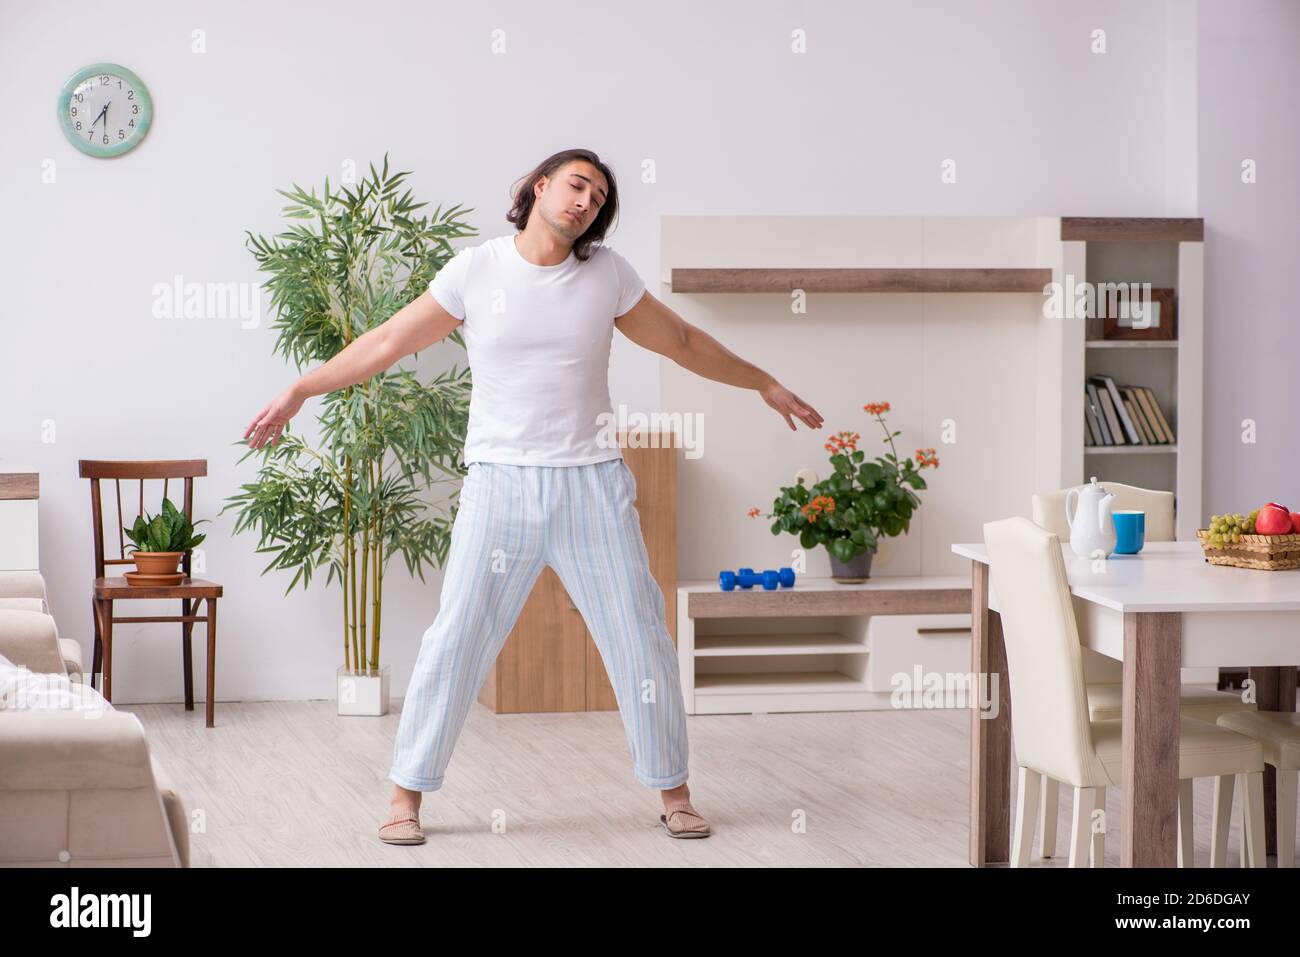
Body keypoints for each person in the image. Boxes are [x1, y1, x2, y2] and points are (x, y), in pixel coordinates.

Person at [244, 147, 823, 845]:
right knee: (456, 637)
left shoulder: (608, 275)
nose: (587, 201)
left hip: (592, 484)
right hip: (500, 484)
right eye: (578, 185)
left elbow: (681, 340)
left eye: (600, 197)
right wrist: (302, 388)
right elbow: (391, 340)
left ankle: (673, 790)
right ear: (540, 186)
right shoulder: (477, 270)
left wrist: (761, 379)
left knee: (641, 638)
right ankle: (405, 795)